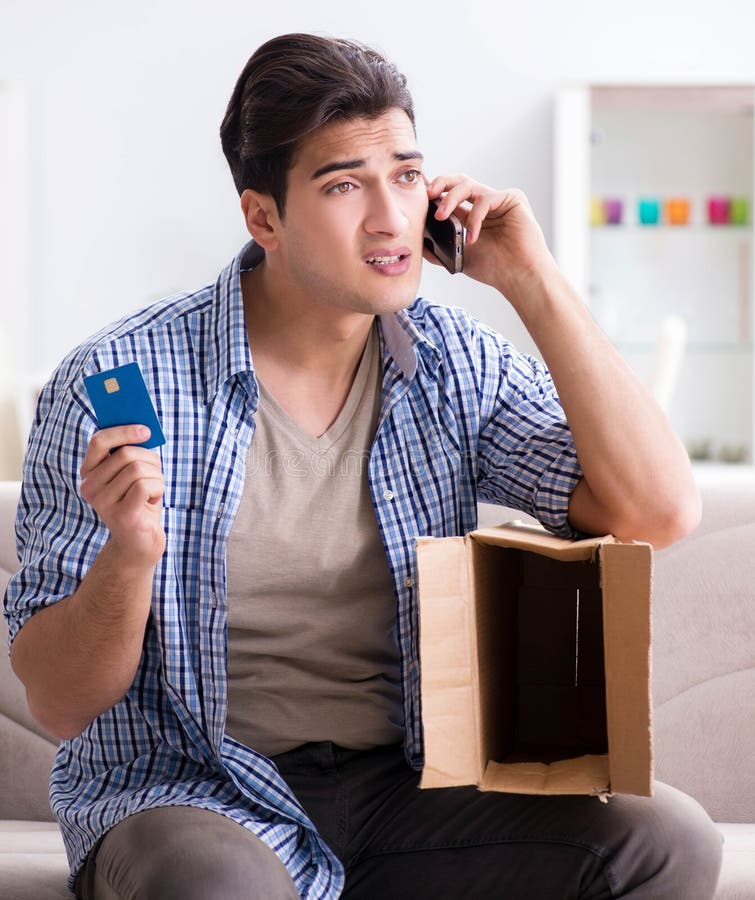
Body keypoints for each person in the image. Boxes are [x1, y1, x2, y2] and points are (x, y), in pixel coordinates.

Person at [3, 32, 722, 900]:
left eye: (407, 176)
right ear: (263, 218)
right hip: (195, 791)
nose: (390, 218)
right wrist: (129, 556)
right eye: (344, 185)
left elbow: (656, 512)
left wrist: (530, 277)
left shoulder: (455, 361)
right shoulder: (119, 382)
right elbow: (61, 702)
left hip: (407, 791)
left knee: (663, 840)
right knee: (212, 884)